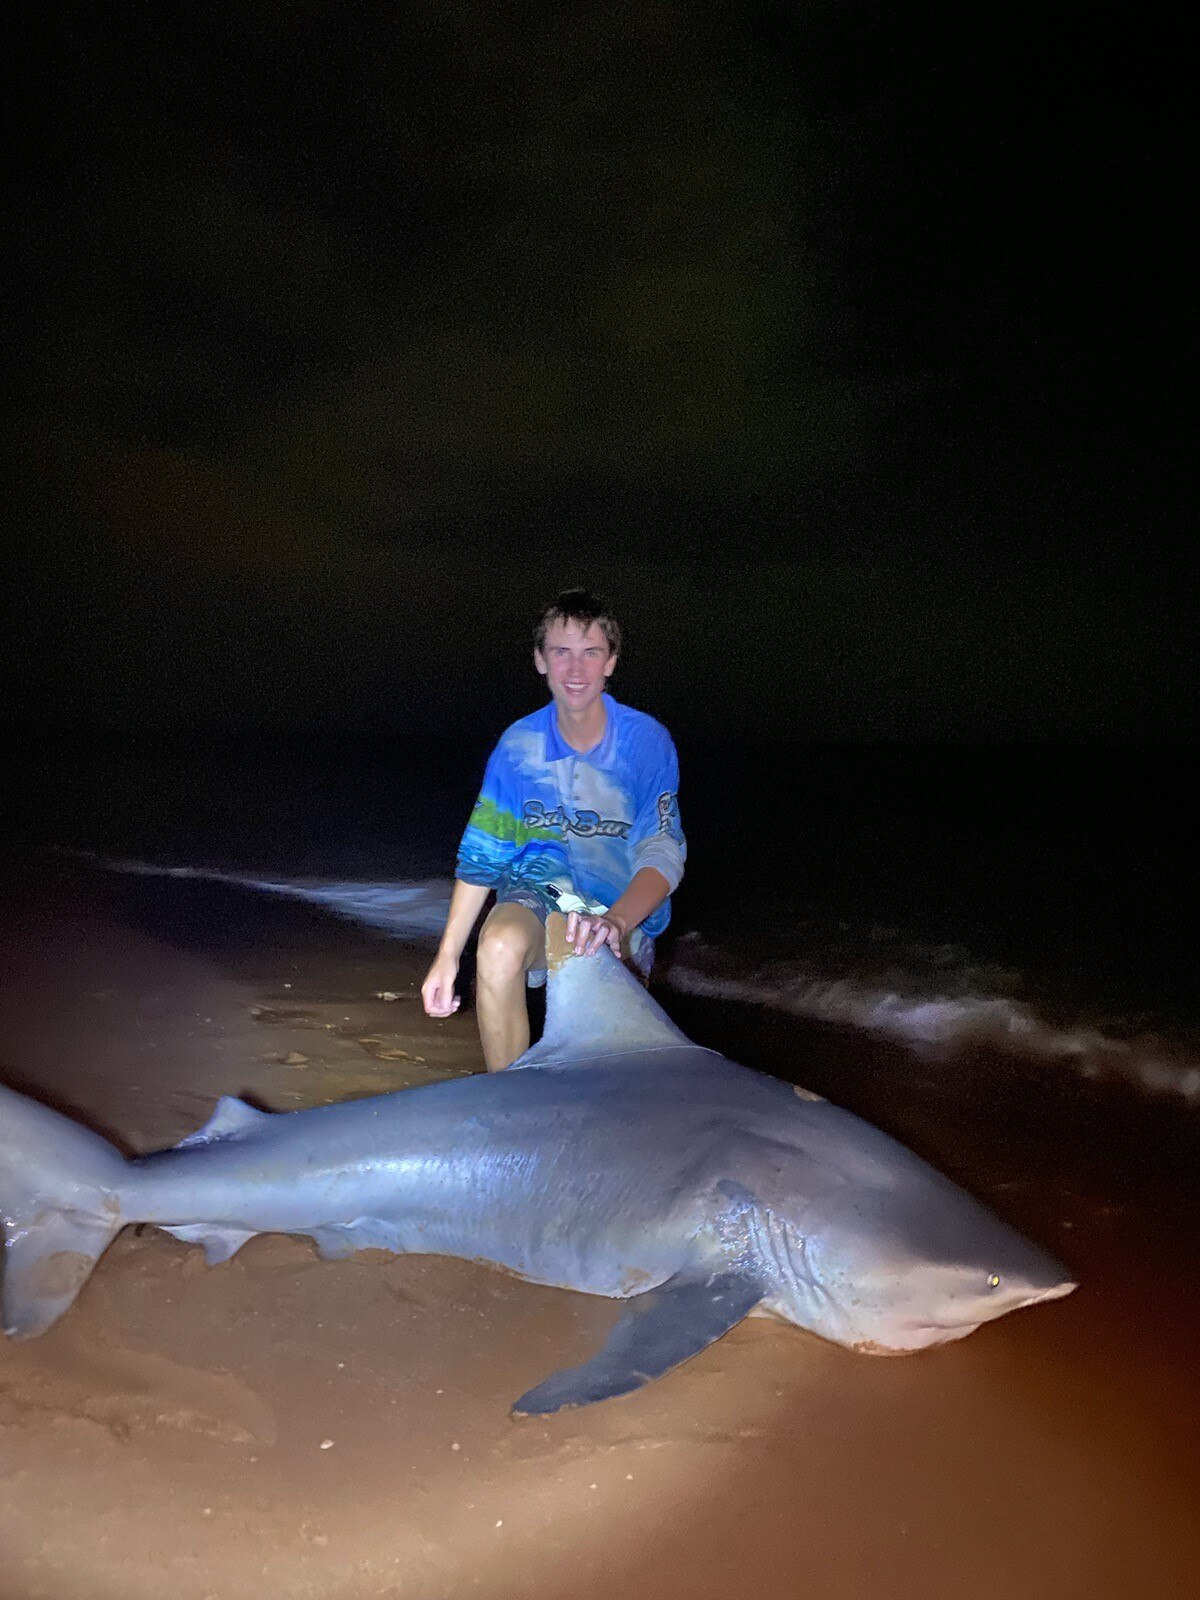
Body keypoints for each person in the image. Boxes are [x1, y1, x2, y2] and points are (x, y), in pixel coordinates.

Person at [421, 589, 686, 1071]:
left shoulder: (646, 743)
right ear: (540, 661)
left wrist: (617, 923)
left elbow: (662, 853)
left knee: (613, 1070)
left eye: (591, 652)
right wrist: (447, 957)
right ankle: (514, 1101)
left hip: (617, 908)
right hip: (539, 892)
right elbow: (482, 856)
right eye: (561, 652)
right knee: (498, 944)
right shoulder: (518, 746)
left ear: (611, 662)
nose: (576, 669)